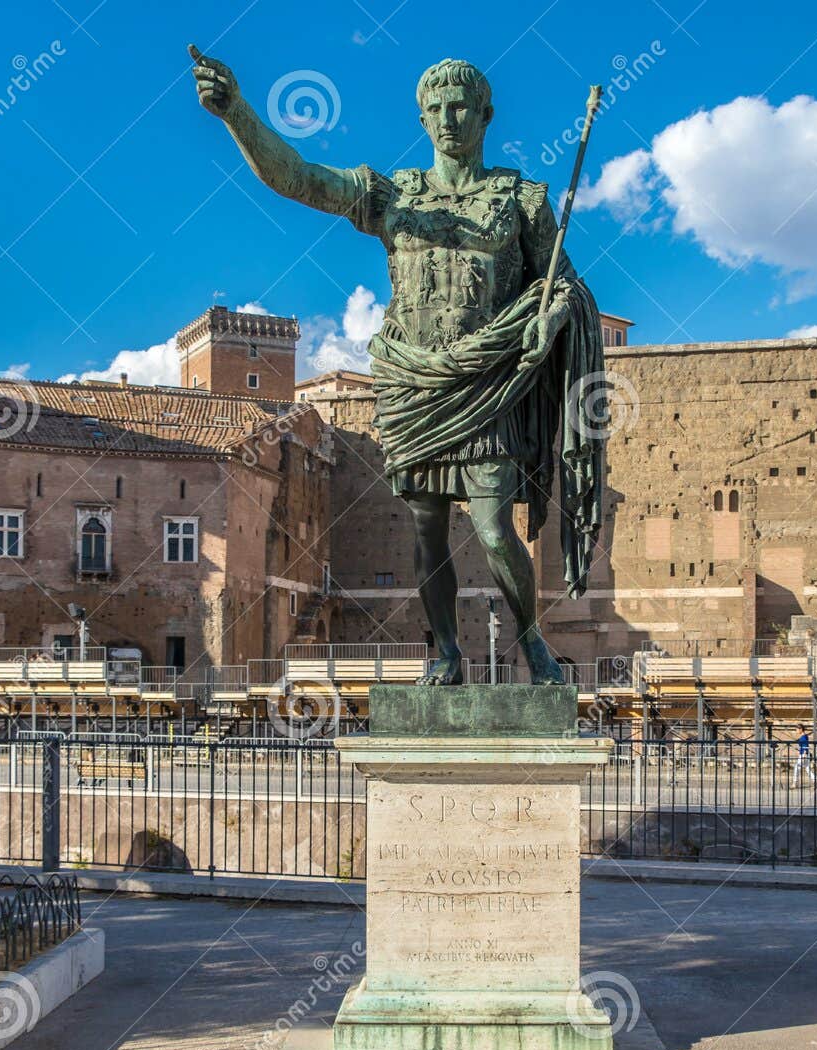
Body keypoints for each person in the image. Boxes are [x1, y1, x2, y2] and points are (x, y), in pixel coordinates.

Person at [192, 50, 606, 685]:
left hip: (489, 384)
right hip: (413, 382)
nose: (449, 117)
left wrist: (551, 318)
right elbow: (298, 177)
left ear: (486, 115)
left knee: (495, 529)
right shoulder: (394, 195)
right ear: (422, 119)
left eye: (461, 106)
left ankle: (533, 643)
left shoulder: (520, 200)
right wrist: (236, 114)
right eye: (436, 108)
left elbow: (565, 285)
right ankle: (448, 654)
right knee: (426, 529)